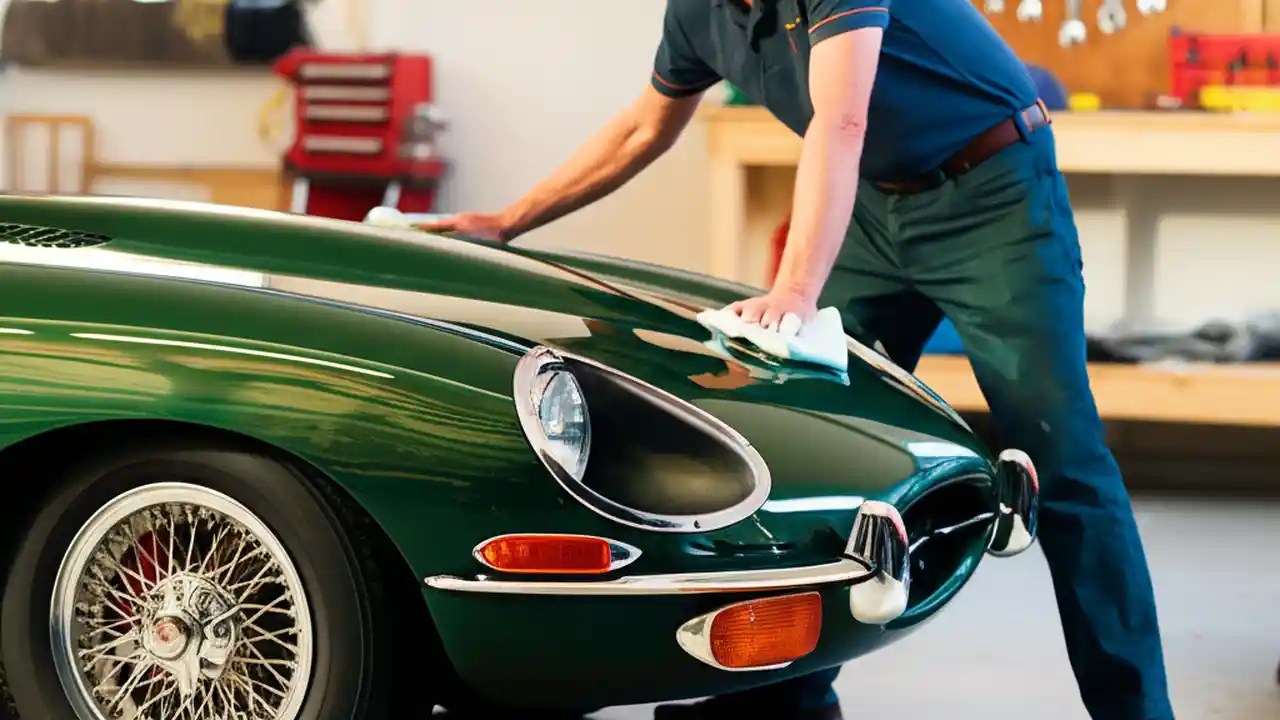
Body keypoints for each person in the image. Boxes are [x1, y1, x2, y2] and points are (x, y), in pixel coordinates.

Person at [418, 1, 1175, 719]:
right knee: (813, 444)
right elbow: (644, 127)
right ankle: (781, 700)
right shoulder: (697, 13)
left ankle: (1137, 711)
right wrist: (506, 221)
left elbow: (841, 121)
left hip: (993, 192)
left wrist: (793, 293)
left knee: (1063, 464)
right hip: (878, 210)